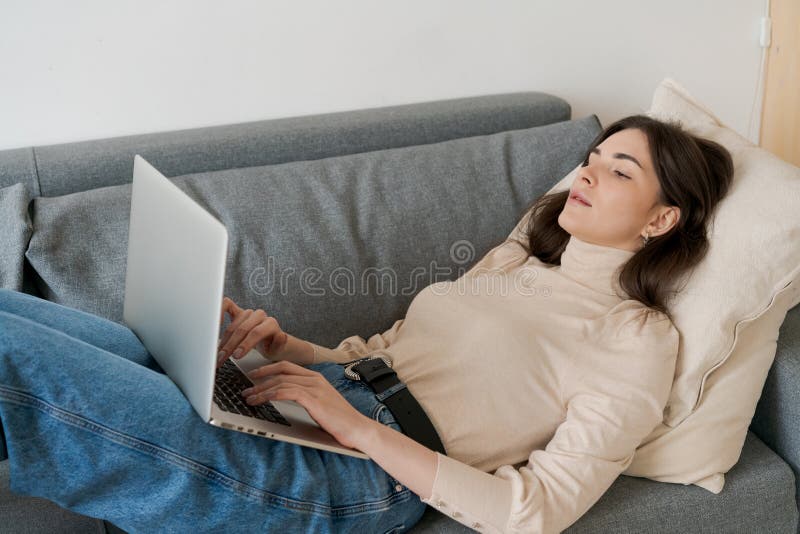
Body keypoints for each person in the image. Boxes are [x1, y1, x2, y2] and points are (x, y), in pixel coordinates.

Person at [0, 114, 733, 534]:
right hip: (309, 402)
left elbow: (533, 510)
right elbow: (385, 355)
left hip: (354, 475)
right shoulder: (518, 264)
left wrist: (357, 431)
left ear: (663, 219)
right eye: (591, 159)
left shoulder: (637, 338)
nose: (587, 175)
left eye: (621, 172)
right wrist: (286, 348)